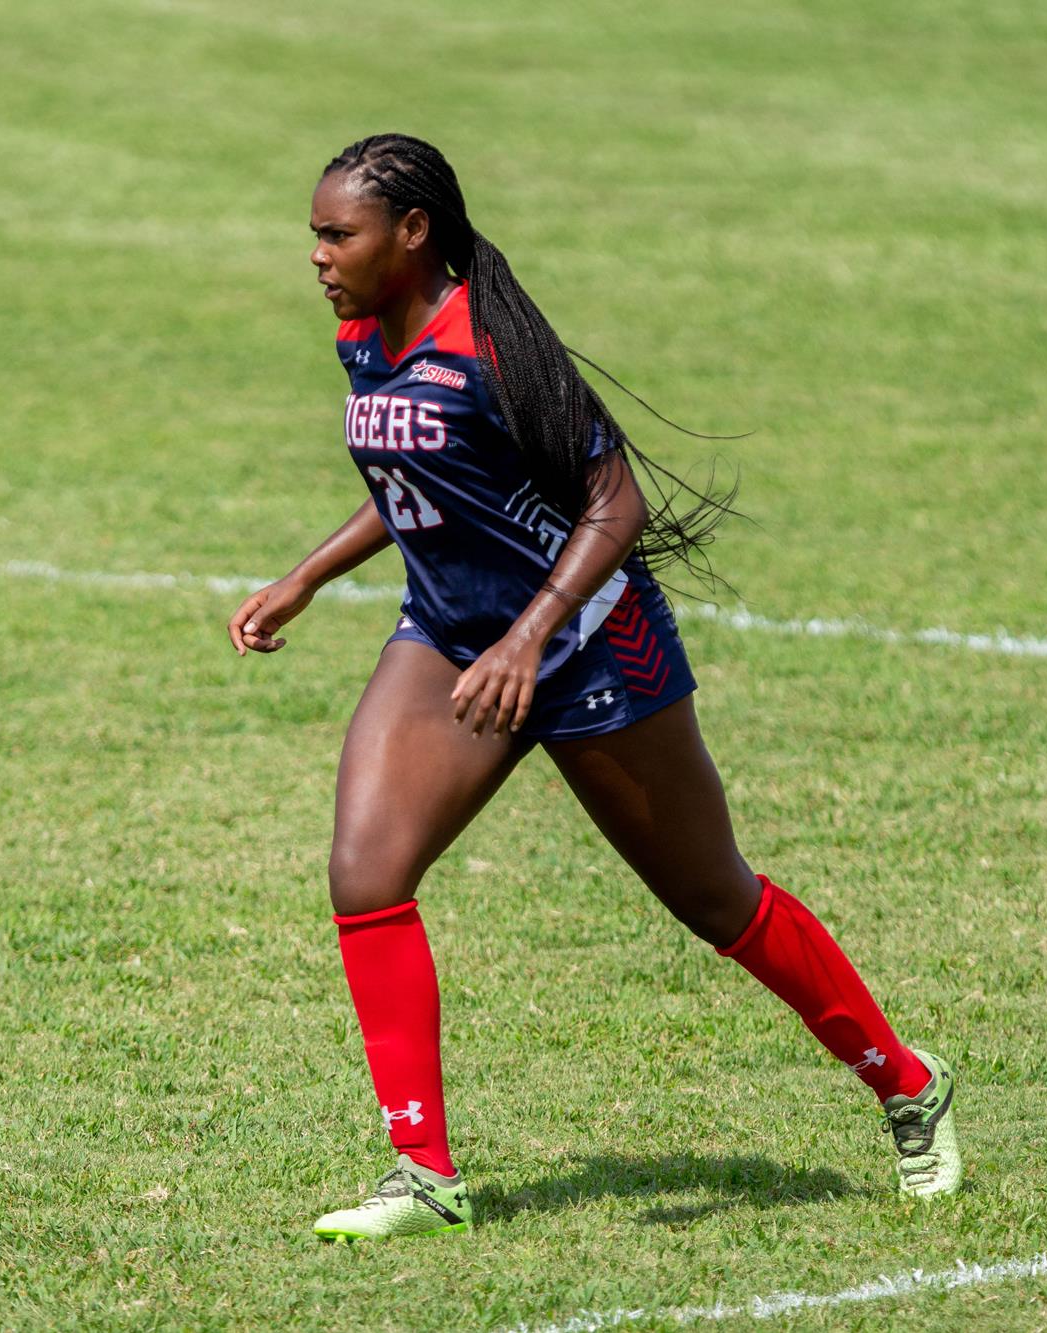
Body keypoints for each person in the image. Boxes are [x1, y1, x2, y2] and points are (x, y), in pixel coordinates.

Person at [227, 134, 961, 1243]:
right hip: (448, 636)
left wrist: (527, 639)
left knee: (713, 900)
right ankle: (423, 1173)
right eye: (315, 236)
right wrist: (303, 578)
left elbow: (614, 506)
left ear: (411, 232)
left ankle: (905, 1083)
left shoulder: (491, 350)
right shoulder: (361, 339)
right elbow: (422, 476)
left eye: (338, 234)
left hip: (589, 649)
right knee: (364, 872)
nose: (318, 256)